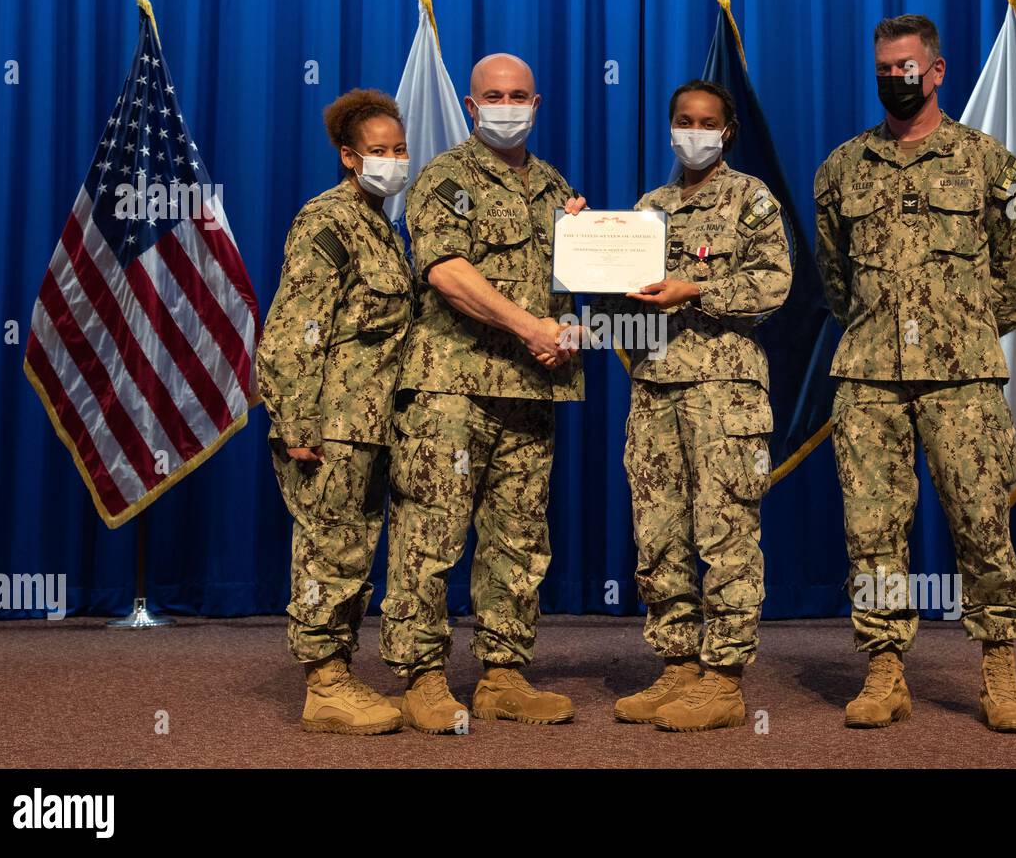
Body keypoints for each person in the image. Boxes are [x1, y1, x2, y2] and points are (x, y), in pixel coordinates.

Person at [814, 14, 1016, 732]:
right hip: (869, 376)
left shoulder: (991, 163)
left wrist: (968, 329)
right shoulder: (841, 168)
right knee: (872, 528)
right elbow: (834, 282)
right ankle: (885, 669)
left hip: (962, 375)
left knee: (981, 519)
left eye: (907, 68)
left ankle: (999, 665)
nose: (895, 80)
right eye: (883, 69)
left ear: (937, 72)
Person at [382, 53, 586, 733]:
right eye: (493, 96)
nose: (507, 105)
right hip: (451, 386)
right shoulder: (446, 176)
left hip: (530, 391)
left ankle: (503, 673)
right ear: (471, 106)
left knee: (518, 539)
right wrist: (531, 325)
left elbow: (572, 283)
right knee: (431, 533)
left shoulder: (557, 186)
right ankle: (422, 675)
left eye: (518, 95)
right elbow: (444, 271)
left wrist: (588, 251)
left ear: (538, 102)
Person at [610, 80, 791, 732]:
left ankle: (723, 678)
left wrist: (696, 287)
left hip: (725, 392)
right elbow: (617, 308)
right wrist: (584, 247)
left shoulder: (751, 200)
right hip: (656, 389)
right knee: (659, 533)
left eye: (706, 121)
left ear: (727, 130)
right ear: (669, 127)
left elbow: (774, 285)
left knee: (725, 532)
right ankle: (679, 664)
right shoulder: (648, 209)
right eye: (683, 120)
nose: (694, 129)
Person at [257, 88, 414, 735]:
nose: (392, 160)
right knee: (329, 550)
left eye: (400, 149)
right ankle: (323, 682)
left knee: (354, 549)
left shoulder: (384, 225)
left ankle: (340, 670)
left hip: (374, 423)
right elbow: (295, 329)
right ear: (350, 156)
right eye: (378, 151)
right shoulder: (330, 220)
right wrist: (295, 422)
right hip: (333, 422)